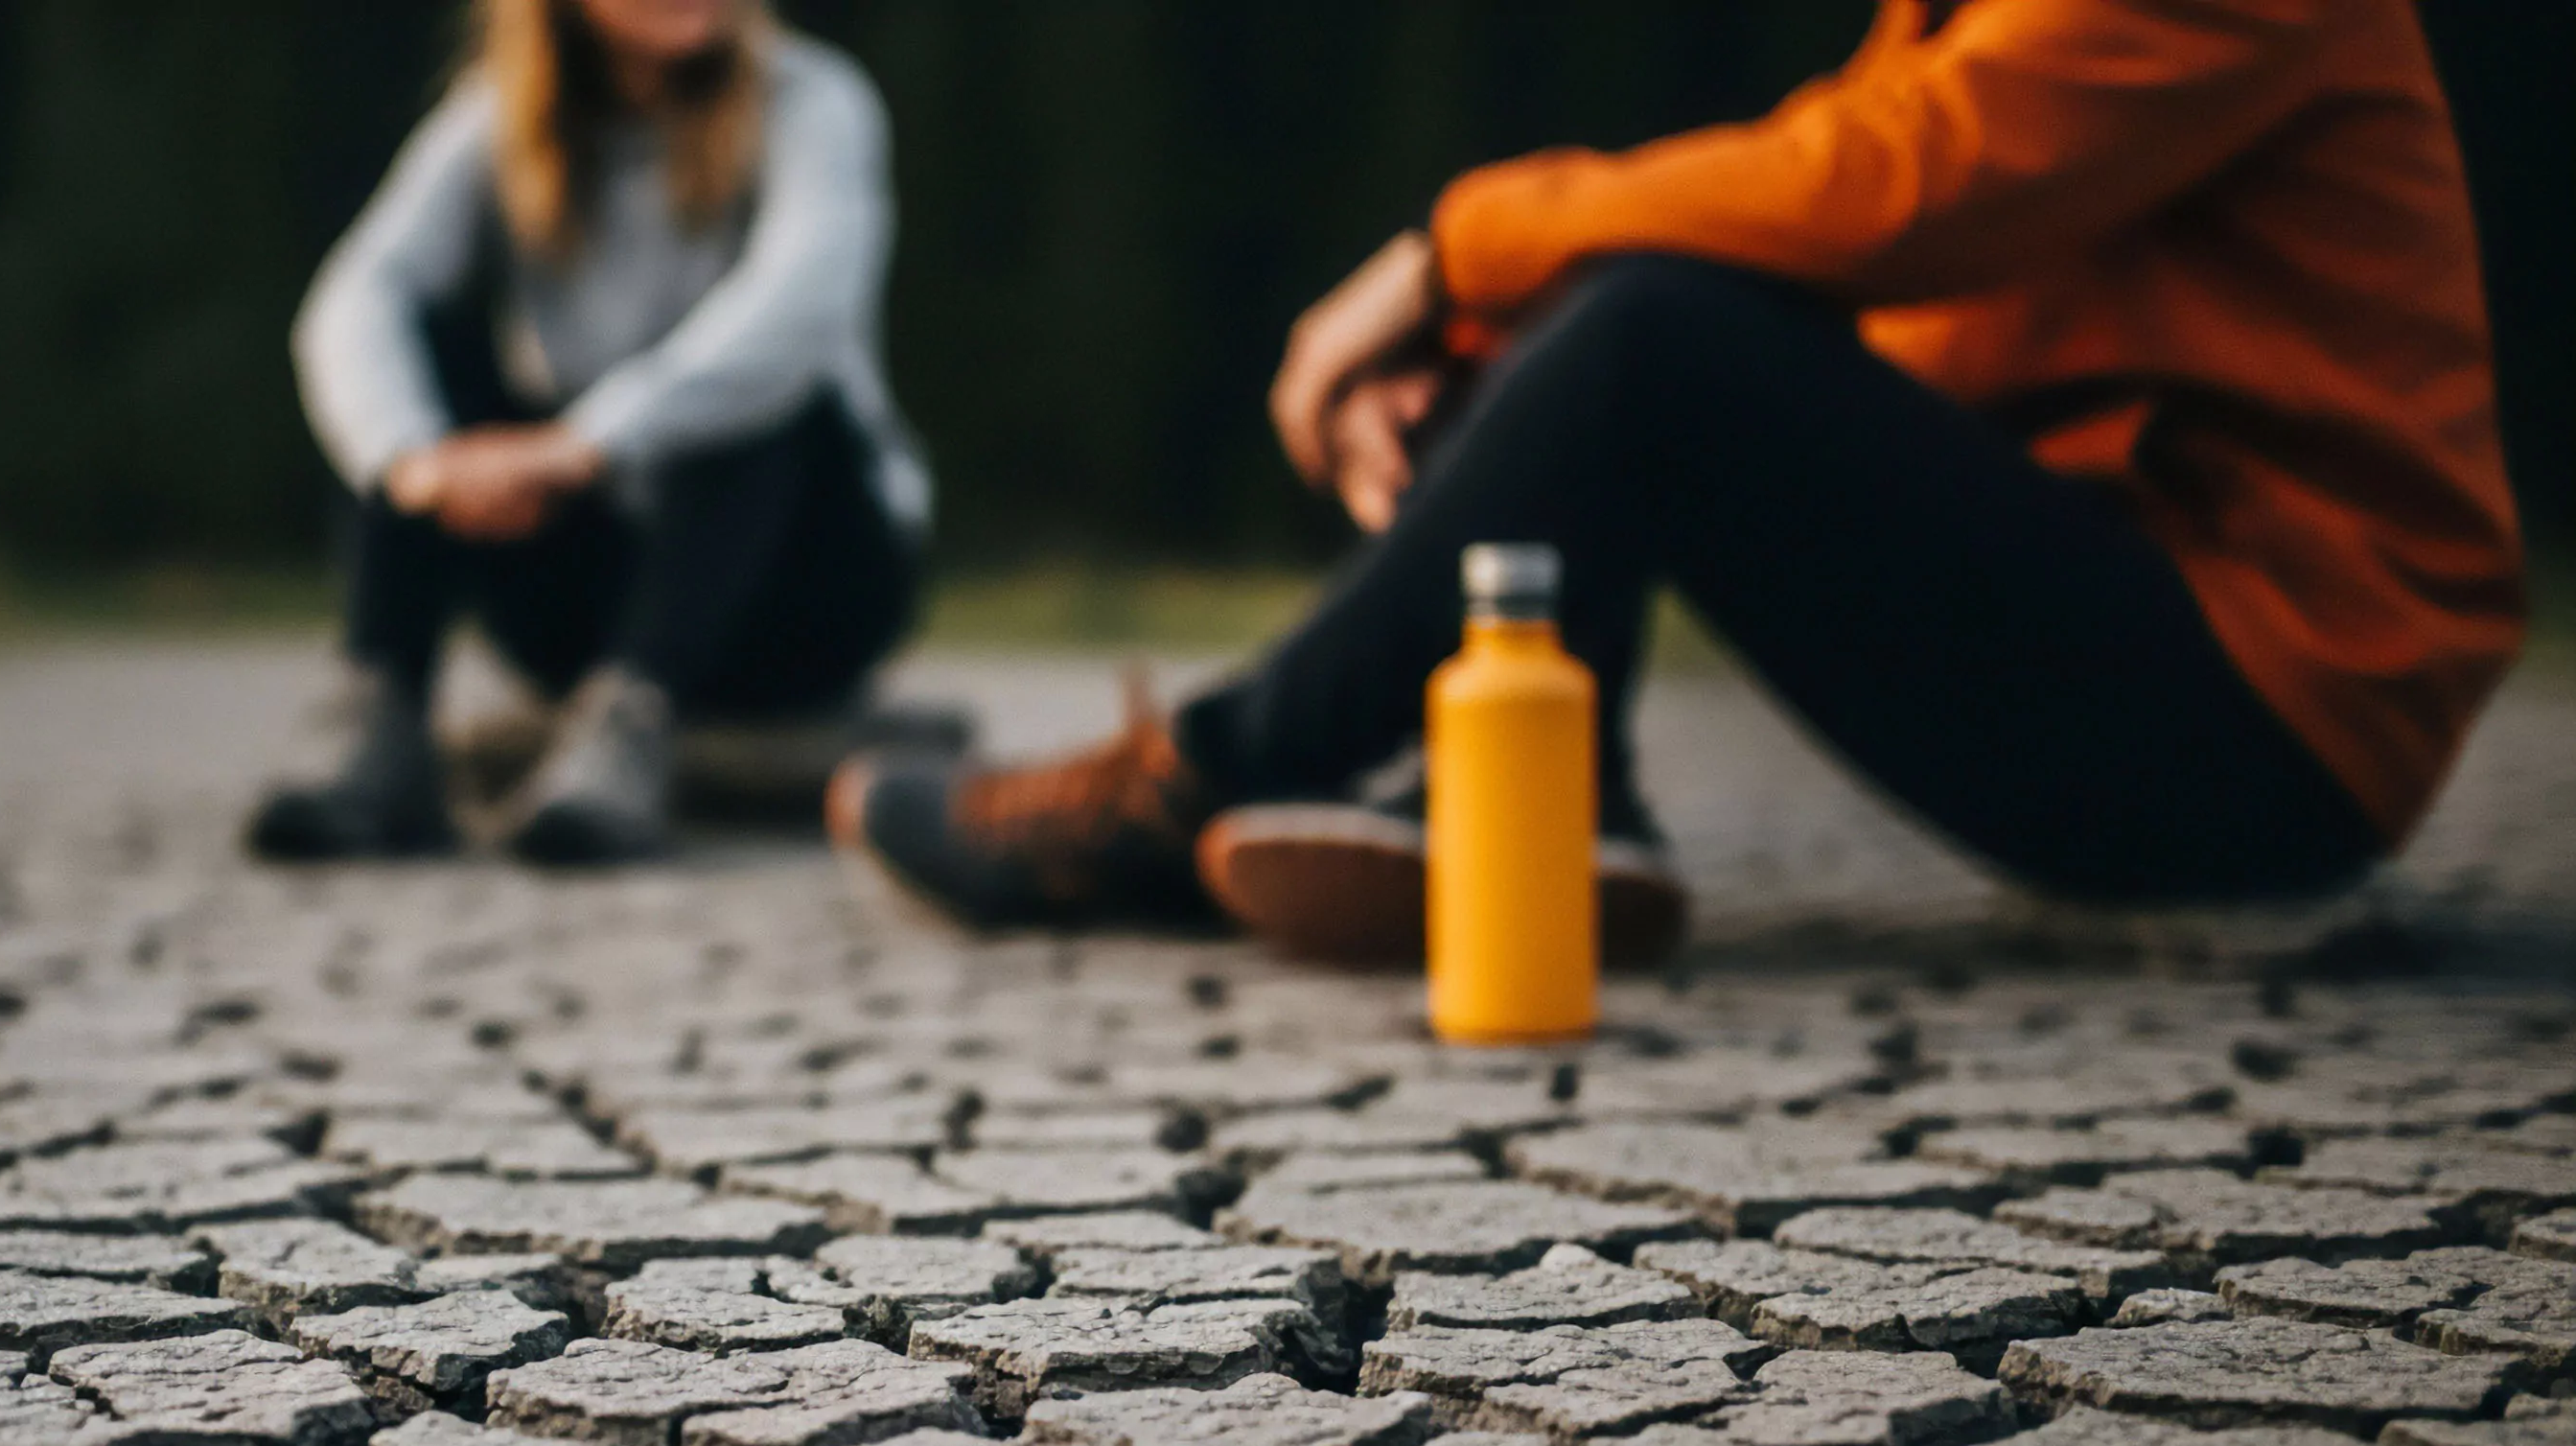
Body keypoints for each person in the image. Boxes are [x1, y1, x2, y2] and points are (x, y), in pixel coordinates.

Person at [832, 0, 2521, 968]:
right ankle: (1563, 795)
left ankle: (1197, 780)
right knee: (1634, 318)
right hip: (2162, 650)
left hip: (2262, 727)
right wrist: (1494, 364)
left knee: (1650, 330)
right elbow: (1829, 265)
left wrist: (1443, 257)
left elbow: (1889, 197)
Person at [260, 0, 925, 866]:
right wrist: (411, 461)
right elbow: (357, 296)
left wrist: (591, 443)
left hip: (803, 594)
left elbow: (798, 310)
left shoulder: (816, 101)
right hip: (582, 595)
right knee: (427, 357)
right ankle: (383, 720)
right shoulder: (495, 115)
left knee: (760, 388)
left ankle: (631, 723)